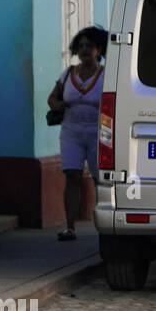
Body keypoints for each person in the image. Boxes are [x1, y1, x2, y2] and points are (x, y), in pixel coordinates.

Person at [48, 26, 107, 241]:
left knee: (99, 179)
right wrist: (59, 104)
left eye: (89, 46)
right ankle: (70, 227)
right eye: (80, 46)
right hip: (71, 133)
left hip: (98, 134)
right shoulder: (67, 74)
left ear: (98, 50)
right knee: (71, 176)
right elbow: (52, 98)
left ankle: (104, 224)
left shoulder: (106, 76)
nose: (84, 50)